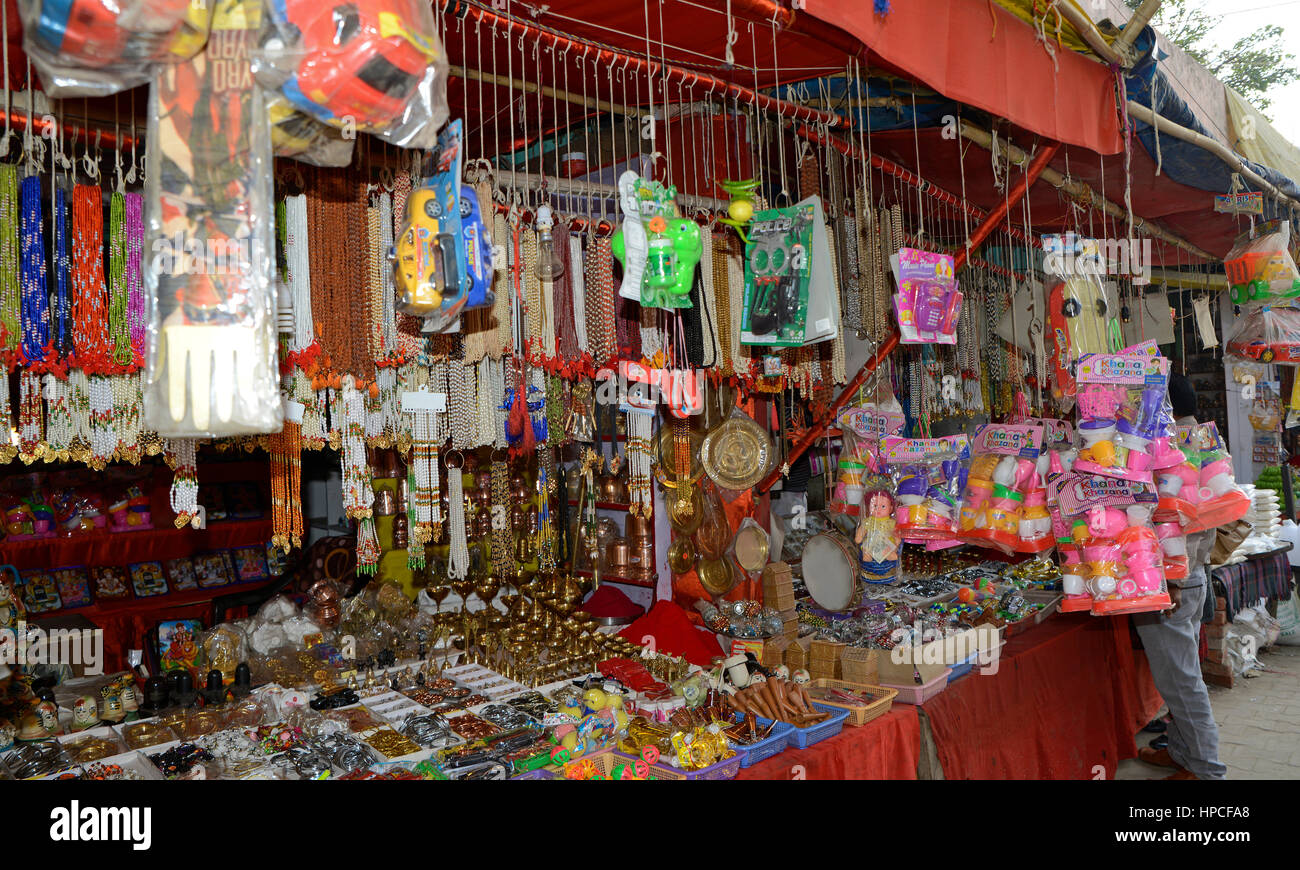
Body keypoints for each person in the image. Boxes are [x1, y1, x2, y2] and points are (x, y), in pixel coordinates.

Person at [1133, 372, 1226, 780]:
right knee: (1179, 678)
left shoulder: (1167, 448)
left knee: (1182, 682)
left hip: (1170, 581)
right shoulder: (1208, 442)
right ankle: (1183, 753)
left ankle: (1208, 770)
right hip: (1195, 572)